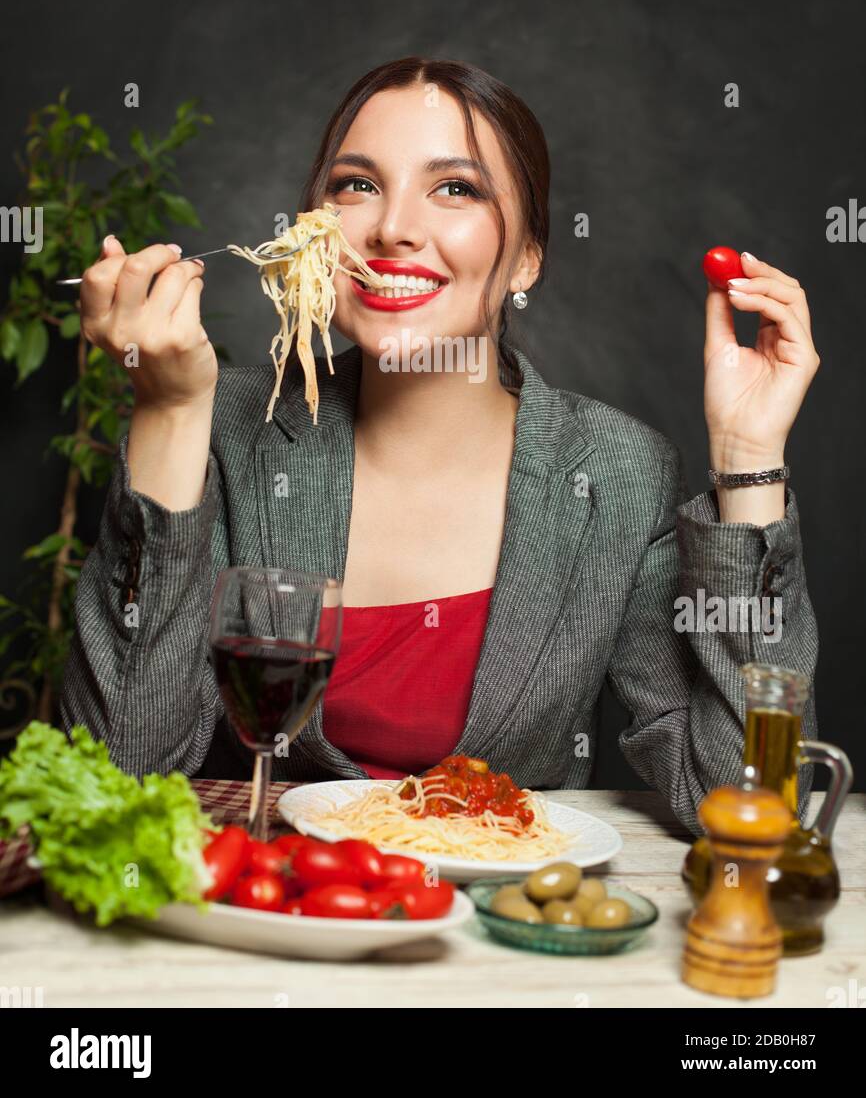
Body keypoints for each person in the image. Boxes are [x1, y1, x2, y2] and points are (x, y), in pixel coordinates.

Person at [59, 57, 821, 835]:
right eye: (356, 185)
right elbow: (119, 775)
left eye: (455, 188)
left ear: (527, 256)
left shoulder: (620, 474)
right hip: (269, 915)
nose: (392, 226)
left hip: (503, 931)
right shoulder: (226, 428)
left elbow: (744, 805)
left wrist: (748, 456)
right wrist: (168, 408)